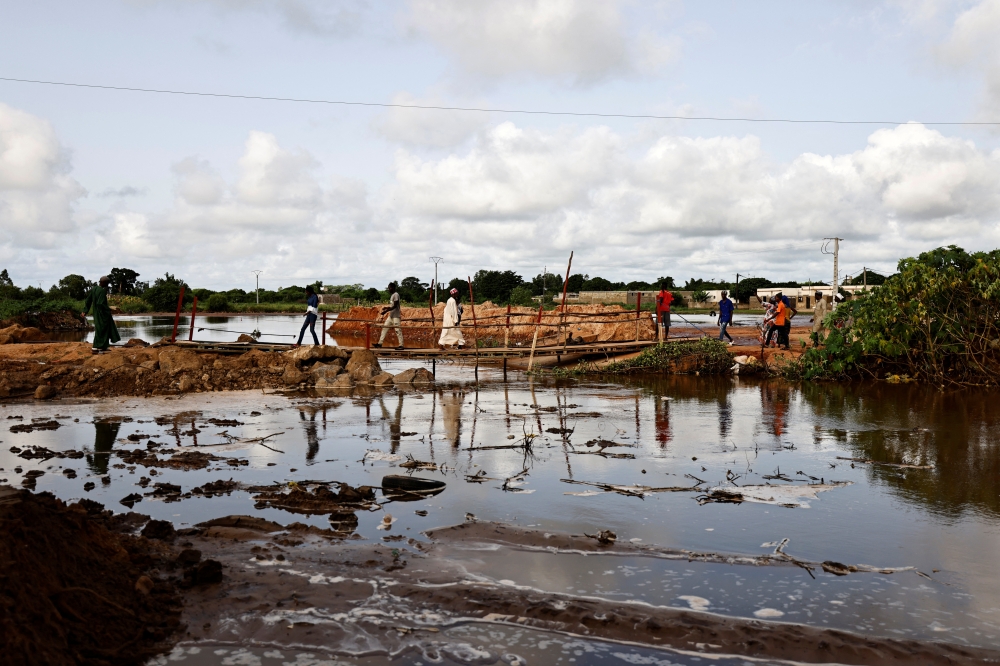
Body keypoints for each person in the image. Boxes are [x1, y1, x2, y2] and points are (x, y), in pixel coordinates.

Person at [82, 276, 121, 354]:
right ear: (103, 282)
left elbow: (88, 300)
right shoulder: (102, 291)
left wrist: (85, 311)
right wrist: (109, 309)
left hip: (96, 313)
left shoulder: (94, 289)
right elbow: (101, 304)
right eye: (107, 283)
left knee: (103, 329)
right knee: (101, 330)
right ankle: (95, 348)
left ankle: (103, 347)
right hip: (102, 314)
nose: (107, 285)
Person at [374, 282, 404, 350]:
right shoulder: (392, 295)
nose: (389, 289)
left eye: (389, 288)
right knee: (384, 328)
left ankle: (401, 345)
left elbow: (395, 306)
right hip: (391, 316)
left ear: (392, 288)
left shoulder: (396, 295)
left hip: (396, 316)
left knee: (397, 330)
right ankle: (380, 343)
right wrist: (387, 308)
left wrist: (386, 311)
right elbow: (392, 306)